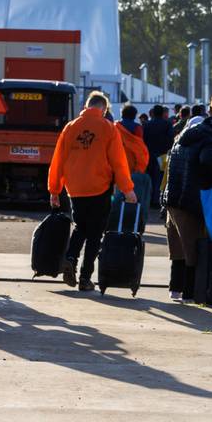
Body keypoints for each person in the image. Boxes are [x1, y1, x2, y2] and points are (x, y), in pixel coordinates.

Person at [47, 91, 137, 292]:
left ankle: (70, 258)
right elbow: (118, 162)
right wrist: (127, 189)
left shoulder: (70, 127)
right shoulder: (108, 128)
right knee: (95, 234)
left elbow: (57, 161)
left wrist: (54, 190)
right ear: (103, 109)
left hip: (75, 188)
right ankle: (85, 278)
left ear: (87, 106)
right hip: (99, 188)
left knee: (80, 227)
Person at [163, 116, 212, 301]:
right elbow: (208, 160)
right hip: (192, 201)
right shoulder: (209, 140)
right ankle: (190, 293)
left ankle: (175, 289)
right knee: (193, 248)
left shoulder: (182, 139)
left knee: (178, 249)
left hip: (173, 199)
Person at [143, 104, 175, 207]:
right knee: (160, 178)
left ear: (153, 113)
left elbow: (143, 140)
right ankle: (157, 201)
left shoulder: (147, 124)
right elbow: (171, 139)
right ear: (162, 113)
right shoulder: (167, 124)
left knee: (150, 177)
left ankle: (149, 200)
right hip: (163, 155)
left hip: (149, 154)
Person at [117, 103, 150, 181]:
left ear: (122, 114)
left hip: (118, 161)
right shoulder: (137, 128)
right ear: (134, 116)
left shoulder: (115, 127)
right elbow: (140, 148)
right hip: (133, 162)